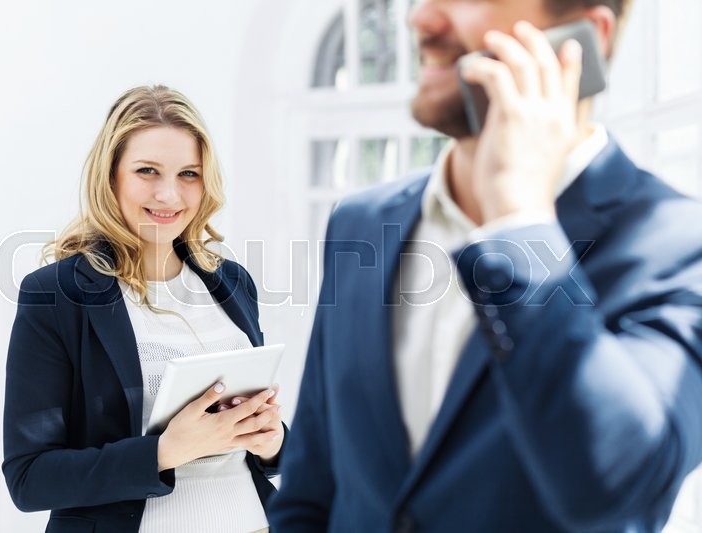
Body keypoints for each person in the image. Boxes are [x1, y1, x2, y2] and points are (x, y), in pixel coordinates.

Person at [269, 1, 702, 531]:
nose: (421, 21)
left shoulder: (679, 245)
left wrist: (519, 219)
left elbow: (613, 488)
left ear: (585, 35)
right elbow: (311, 488)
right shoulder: (360, 223)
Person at [2, 85, 284, 533]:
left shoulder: (232, 282)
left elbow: (255, 449)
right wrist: (164, 453)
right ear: (110, 175)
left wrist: (271, 440)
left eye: (189, 174)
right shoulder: (55, 296)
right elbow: (29, 479)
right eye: (147, 171)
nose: (169, 195)